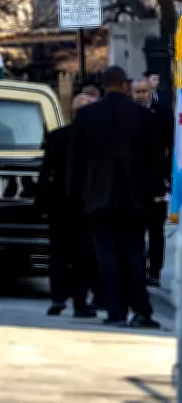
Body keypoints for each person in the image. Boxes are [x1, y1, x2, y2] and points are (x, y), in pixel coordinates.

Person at [68, 65, 163, 328]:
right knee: (134, 252)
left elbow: (75, 161)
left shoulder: (86, 117)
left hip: (97, 196)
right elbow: (155, 158)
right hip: (135, 196)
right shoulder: (141, 115)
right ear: (123, 85)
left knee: (106, 255)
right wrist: (156, 192)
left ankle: (115, 310)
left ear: (104, 85)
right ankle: (141, 309)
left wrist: (75, 196)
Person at [37, 93, 97, 318]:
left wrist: (42, 204)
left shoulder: (57, 136)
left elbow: (46, 174)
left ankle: (58, 297)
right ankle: (80, 303)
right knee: (82, 255)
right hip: (85, 203)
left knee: (59, 254)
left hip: (60, 203)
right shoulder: (95, 139)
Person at [132, 76, 174, 286]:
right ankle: (137, 268)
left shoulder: (163, 114)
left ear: (151, 92)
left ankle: (154, 270)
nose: (140, 95)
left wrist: (167, 177)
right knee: (135, 229)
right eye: (137, 92)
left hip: (156, 181)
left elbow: (171, 148)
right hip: (132, 180)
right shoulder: (127, 114)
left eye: (144, 91)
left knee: (156, 229)